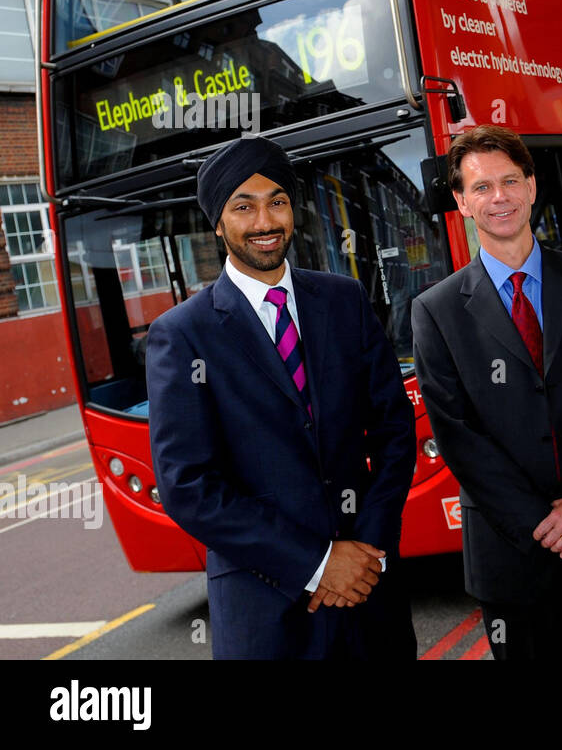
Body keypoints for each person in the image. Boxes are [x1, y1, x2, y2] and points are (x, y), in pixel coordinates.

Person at [146, 136, 417, 659]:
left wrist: (368, 551)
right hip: (266, 615)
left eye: (277, 201)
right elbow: (189, 486)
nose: (265, 221)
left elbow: (394, 430)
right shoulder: (182, 334)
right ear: (218, 223)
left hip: (370, 594)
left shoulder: (344, 300)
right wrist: (317, 563)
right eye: (243, 206)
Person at [411, 125, 562, 660]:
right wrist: (544, 522)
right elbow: (458, 434)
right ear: (460, 201)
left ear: (531, 187)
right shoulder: (436, 309)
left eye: (509, 181)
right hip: (511, 547)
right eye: (480, 187)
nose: (498, 198)